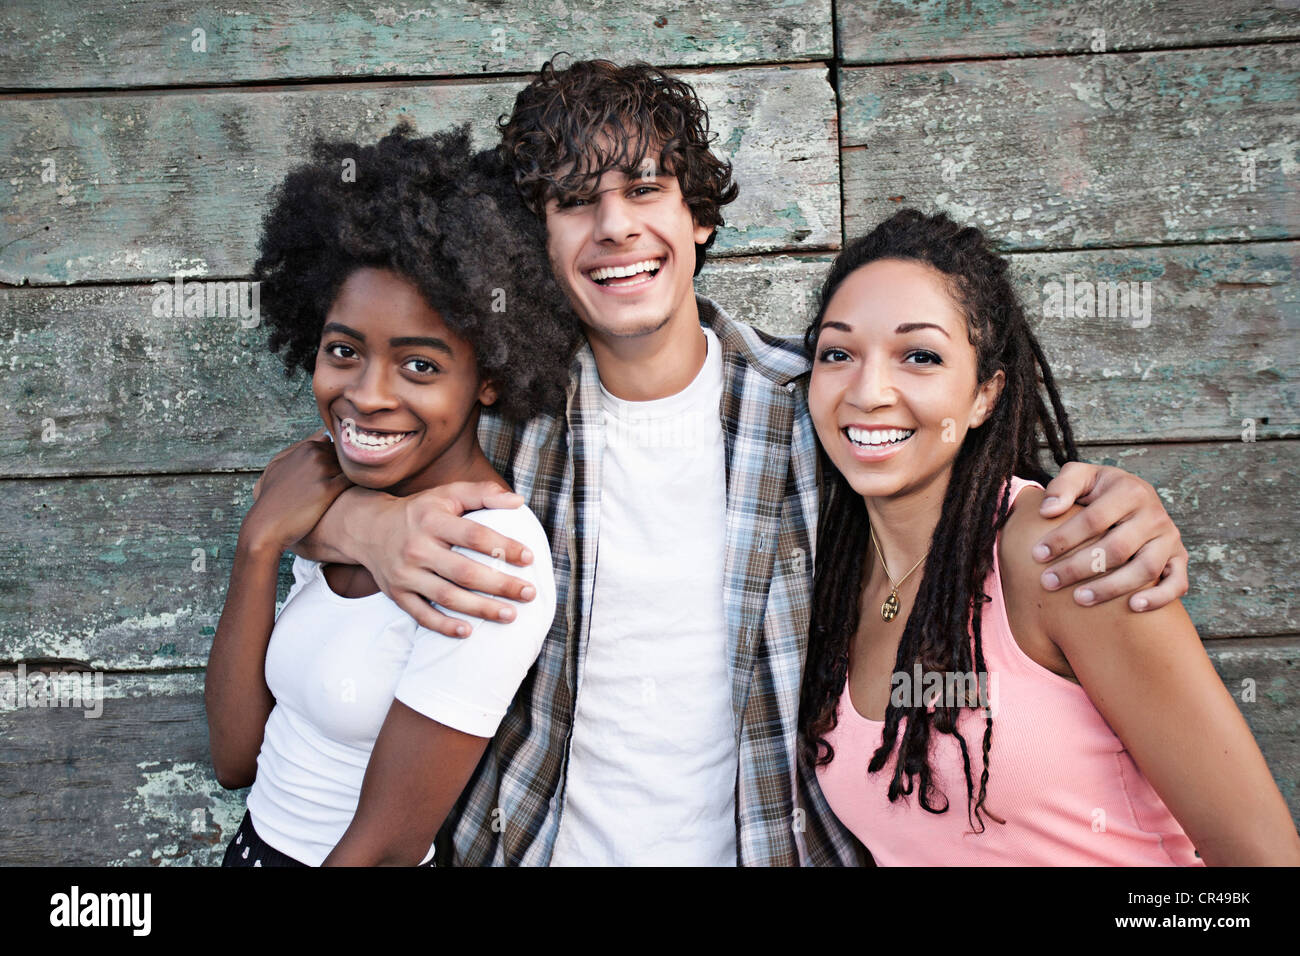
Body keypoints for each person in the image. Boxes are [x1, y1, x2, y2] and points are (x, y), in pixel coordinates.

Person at [285, 57, 1193, 866]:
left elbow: (975, 488)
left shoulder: (820, 406)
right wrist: (369, 521)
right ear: (537, 242)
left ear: (700, 219)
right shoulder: (500, 409)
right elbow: (310, 476)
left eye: (645, 191)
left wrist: (1122, 503)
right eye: (573, 202)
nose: (614, 228)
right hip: (531, 839)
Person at [801, 208, 1300, 865]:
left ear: (985, 394)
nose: (868, 391)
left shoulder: (1059, 552)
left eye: (920, 355)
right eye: (838, 353)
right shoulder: (826, 577)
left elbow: (1260, 854)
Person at [203, 123, 573, 866]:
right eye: (344, 352)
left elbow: (384, 849)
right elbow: (237, 758)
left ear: (491, 376)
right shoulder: (330, 488)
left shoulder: (492, 554)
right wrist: (258, 544)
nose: (366, 396)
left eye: (420, 366)